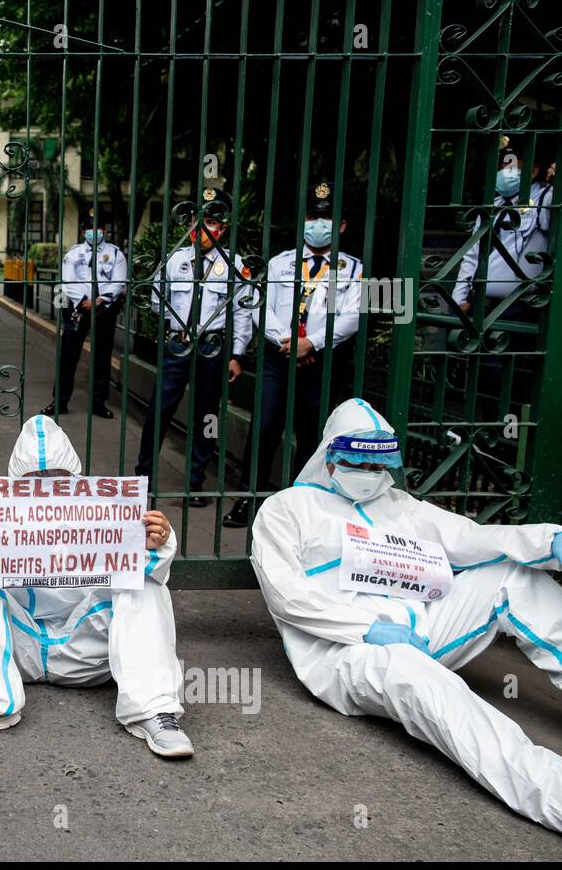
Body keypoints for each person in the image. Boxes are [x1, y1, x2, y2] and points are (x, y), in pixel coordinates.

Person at [251, 397, 562, 833]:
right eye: (359, 464)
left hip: (422, 632)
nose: (371, 476)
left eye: (379, 467)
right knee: (436, 691)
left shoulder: (398, 505)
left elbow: (468, 537)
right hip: (351, 655)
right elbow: (286, 596)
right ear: (330, 456)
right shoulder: (286, 510)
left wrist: (546, 542)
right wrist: (366, 629)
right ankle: (551, 791)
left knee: (513, 576)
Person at [0, 415, 193, 756]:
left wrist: (157, 540)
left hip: (88, 648)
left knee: (143, 581)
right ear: (17, 481)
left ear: (76, 478)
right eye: (35, 479)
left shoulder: (107, 508)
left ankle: (154, 710)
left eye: (57, 478)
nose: (46, 486)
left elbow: (156, 570)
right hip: (18, 648)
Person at [224, 180, 363, 528]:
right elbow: (260, 307)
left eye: (327, 218)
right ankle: (248, 499)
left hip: (320, 362)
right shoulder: (280, 263)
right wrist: (287, 341)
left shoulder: (354, 269)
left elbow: (352, 317)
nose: (318, 225)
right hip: (279, 358)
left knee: (311, 436)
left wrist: (312, 343)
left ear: (341, 226)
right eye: (313, 218)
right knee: (264, 428)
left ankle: (299, 508)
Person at [136, 188, 253, 506]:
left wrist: (237, 354)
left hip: (212, 348)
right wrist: (176, 324)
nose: (201, 228)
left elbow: (242, 312)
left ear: (222, 228)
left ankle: (196, 482)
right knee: (158, 409)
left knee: (206, 416)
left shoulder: (234, 265)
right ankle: (142, 479)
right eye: (195, 220)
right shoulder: (175, 261)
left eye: (211, 222)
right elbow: (156, 299)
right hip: (178, 344)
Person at [452, 137, 554, 318]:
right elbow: (472, 255)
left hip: (521, 307)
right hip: (480, 305)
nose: (505, 172)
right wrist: (459, 298)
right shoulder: (493, 207)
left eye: (513, 167)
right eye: (503, 167)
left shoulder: (545, 198)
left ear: (534, 171)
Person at [43, 208, 128, 420]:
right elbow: (68, 282)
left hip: (104, 310)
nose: (94, 231)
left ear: (104, 230)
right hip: (78, 310)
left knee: (102, 356)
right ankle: (60, 401)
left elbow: (119, 282)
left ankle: (99, 403)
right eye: (90, 228)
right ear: (83, 231)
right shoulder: (73, 254)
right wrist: (84, 301)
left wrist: (100, 300)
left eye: (97, 228)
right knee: (68, 356)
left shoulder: (116, 254)